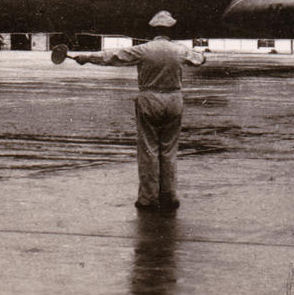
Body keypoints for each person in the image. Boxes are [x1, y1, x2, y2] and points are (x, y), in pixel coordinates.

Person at [72, 11, 205, 212]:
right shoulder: (180, 50)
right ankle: (169, 196)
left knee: (148, 149)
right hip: (174, 98)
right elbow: (199, 59)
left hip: (149, 98)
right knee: (169, 150)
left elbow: (112, 57)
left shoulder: (143, 50)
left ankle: (148, 198)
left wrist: (86, 57)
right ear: (171, 29)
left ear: (152, 29)